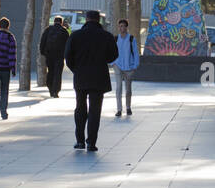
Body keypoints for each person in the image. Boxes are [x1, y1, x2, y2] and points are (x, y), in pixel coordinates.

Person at [65, 9, 118, 151]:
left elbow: (68, 57)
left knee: (80, 109)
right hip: (99, 78)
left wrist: (76, 70)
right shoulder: (106, 36)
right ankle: (91, 142)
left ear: (86, 19)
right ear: (99, 20)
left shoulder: (76, 36)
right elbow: (113, 56)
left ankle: (80, 141)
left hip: (81, 77)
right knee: (95, 111)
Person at [112, 18, 139, 117]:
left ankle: (128, 107)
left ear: (126, 27)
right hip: (118, 65)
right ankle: (119, 109)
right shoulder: (115, 39)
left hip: (129, 67)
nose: (121, 28)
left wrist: (135, 66)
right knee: (118, 87)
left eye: (123, 26)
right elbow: (111, 52)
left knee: (128, 89)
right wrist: (113, 63)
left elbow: (136, 53)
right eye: (120, 26)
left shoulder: (131, 39)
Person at [38, 15, 69, 97]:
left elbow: (42, 42)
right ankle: (56, 91)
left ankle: (50, 88)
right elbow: (68, 45)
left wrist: (43, 52)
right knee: (58, 73)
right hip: (59, 56)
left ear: (54, 22)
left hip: (49, 55)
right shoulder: (64, 31)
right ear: (61, 22)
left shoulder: (48, 30)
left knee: (51, 71)